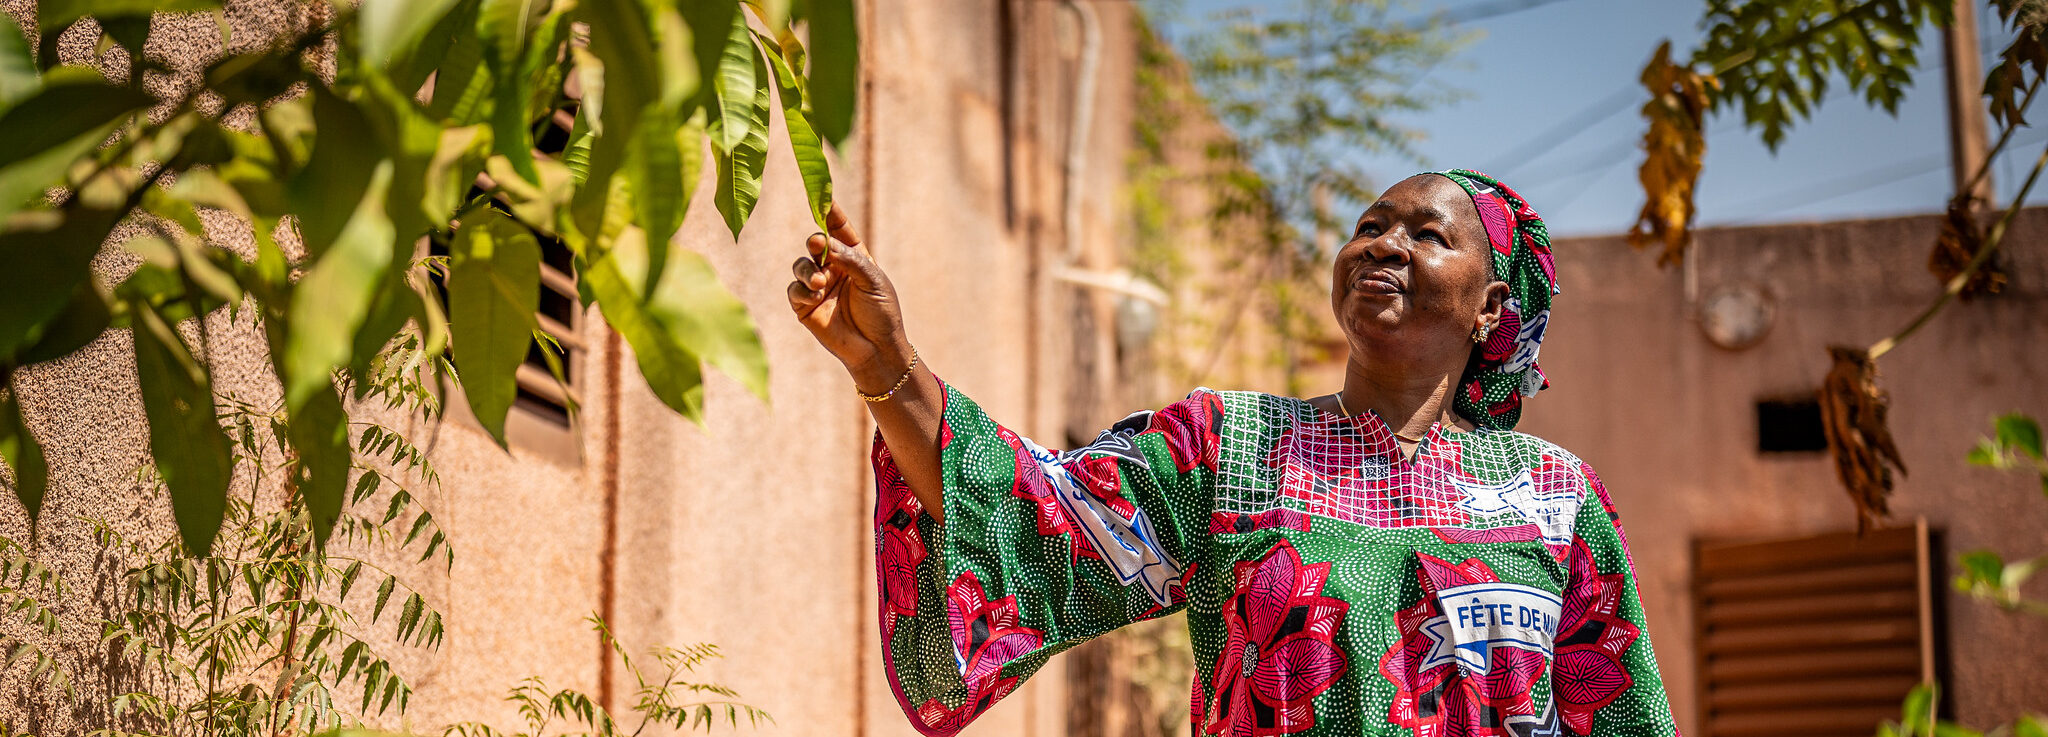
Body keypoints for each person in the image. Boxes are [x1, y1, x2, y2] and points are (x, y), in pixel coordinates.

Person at [787, 170, 1678, 737]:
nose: (1384, 245)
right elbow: (1032, 515)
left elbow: (1623, 710)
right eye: (1371, 225)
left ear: (1490, 309)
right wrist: (887, 363)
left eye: (1427, 235)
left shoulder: (1556, 497)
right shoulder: (1229, 448)